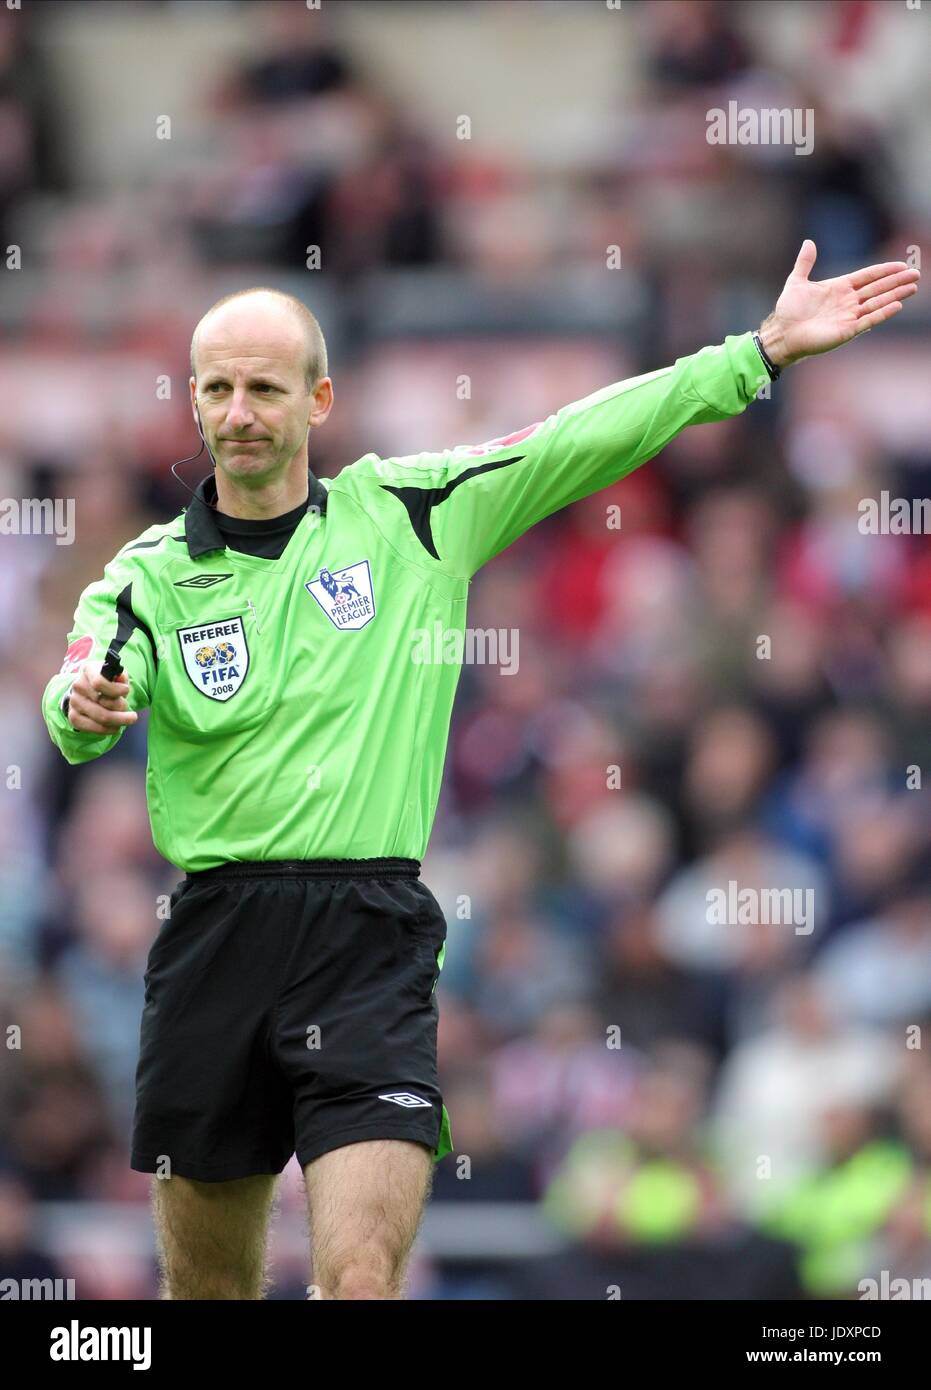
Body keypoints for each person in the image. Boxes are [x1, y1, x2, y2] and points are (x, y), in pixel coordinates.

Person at [41, 242, 919, 1299]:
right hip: (215, 936)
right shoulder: (148, 575)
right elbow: (84, 689)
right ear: (193, 400)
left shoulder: (411, 513)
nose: (239, 412)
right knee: (208, 1291)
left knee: (359, 1276)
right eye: (218, 388)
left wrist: (758, 353)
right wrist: (83, 705)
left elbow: (578, 439)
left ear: (318, 398)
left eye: (265, 387)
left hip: (367, 935)